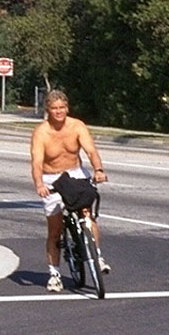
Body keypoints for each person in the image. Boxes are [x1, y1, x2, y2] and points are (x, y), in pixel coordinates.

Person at [31, 89, 108, 292]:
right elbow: (37, 162)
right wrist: (39, 184)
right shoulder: (41, 132)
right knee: (55, 230)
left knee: (87, 215)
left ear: (67, 108)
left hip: (75, 174)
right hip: (52, 177)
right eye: (55, 108)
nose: (59, 112)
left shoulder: (77, 126)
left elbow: (91, 151)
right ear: (48, 109)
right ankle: (54, 274)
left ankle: (96, 255)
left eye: (62, 107)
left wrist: (98, 170)